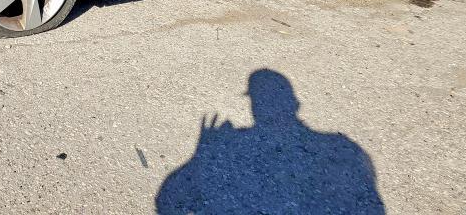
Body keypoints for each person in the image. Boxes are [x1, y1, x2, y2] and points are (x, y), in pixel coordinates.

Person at [156, 69, 385, 214]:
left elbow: (166, 200)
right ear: (295, 103)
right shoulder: (346, 149)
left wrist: (200, 156)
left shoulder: (237, 143)